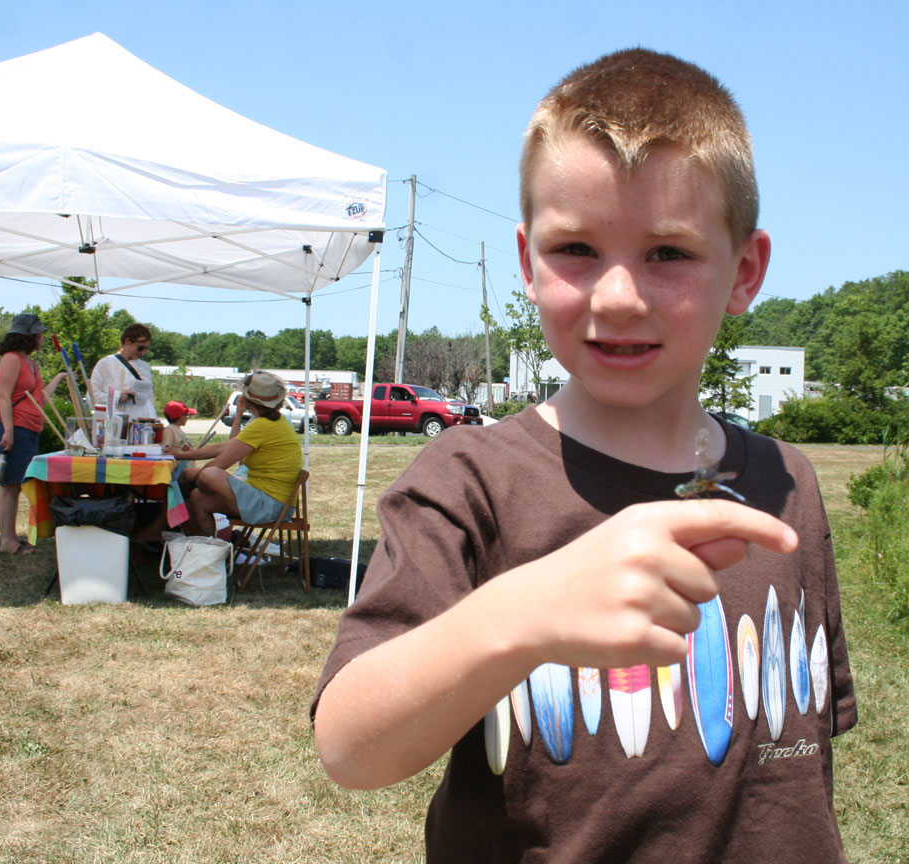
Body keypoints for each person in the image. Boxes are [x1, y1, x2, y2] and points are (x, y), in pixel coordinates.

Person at [312, 49, 857, 863]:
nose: (617, 297)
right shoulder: (469, 483)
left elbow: (798, 762)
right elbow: (350, 746)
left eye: (668, 253)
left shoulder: (786, 483)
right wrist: (524, 613)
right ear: (529, 264)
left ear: (743, 272)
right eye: (577, 250)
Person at [166, 370, 301, 536]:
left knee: (209, 474)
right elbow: (225, 446)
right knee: (197, 499)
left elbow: (219, 464)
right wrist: (181, 455)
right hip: (272, 502)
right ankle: (209, 551)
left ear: (247, 399)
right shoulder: (272, 423)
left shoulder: (262, 425)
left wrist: (195, 477)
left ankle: (202, 547)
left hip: (270, 505)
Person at [0, 313, 67, 554]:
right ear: (28, 336)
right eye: (39, 333)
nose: (42, 337)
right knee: (10, 485)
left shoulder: (30, 362)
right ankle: (7, 541)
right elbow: (4, 396)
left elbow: (40, 397)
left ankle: (11, 537)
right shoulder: (11, 359)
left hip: (30, 428)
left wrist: (59, 377)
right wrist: (9, 429)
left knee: (18, 483)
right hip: (15, 428)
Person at [89, 323, 156, 421]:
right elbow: (92, 397)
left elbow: (149, 399)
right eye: (140, 348)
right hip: (110, 424)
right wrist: (117, 397)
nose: (143, 352)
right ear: (127, 341)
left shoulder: (144, 367)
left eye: (146, 348)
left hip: (136, 424)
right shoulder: (105, 364)